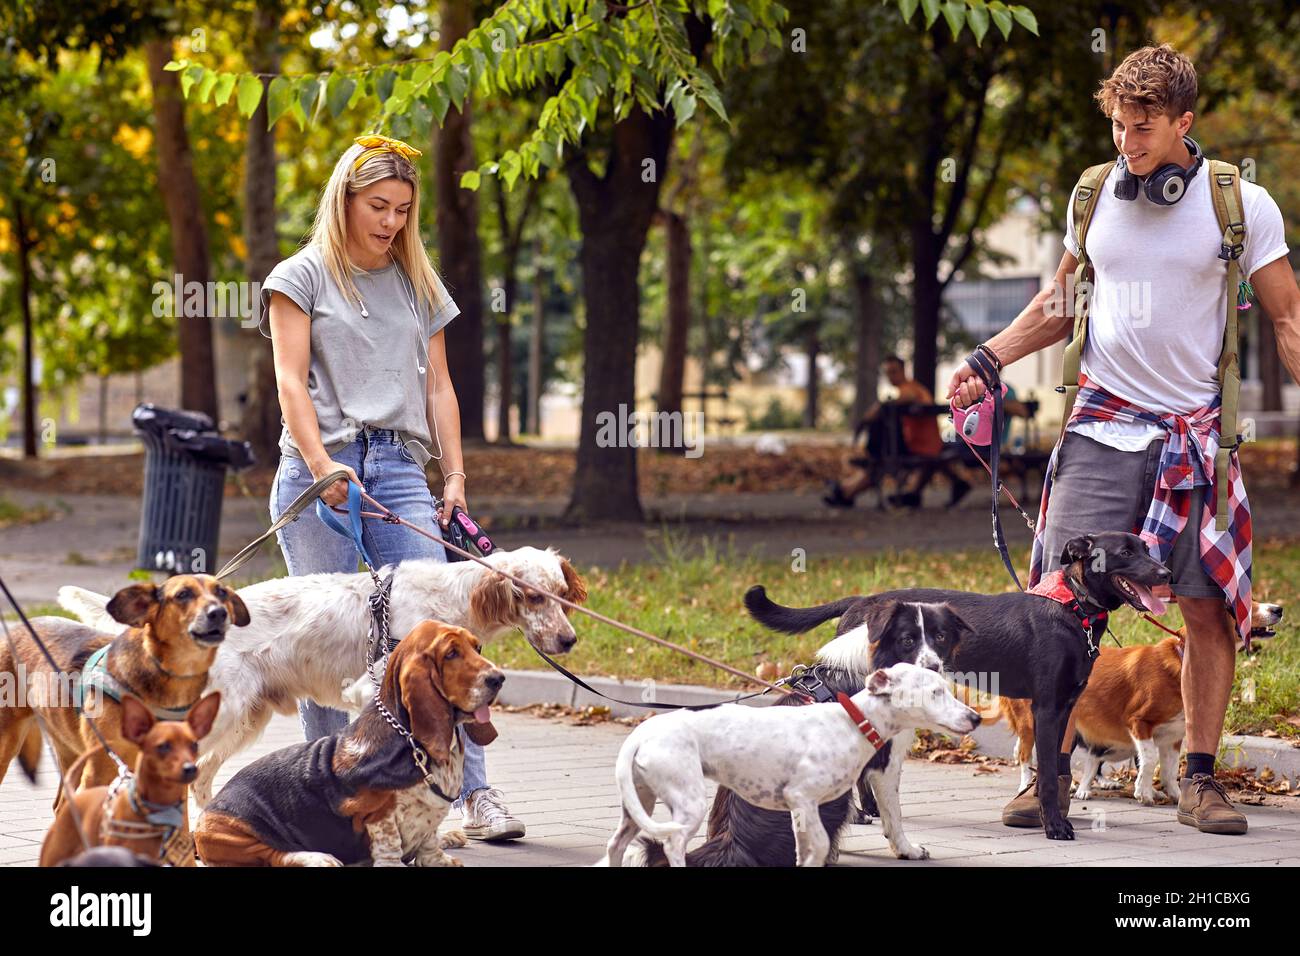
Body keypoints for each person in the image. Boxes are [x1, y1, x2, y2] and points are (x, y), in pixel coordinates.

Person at [948, 45, 1300, 835]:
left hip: (1195, 440)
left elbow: (1287, 318)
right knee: (1057, 608)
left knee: (1207, 611)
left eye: (1142, 128)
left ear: (1185, 121)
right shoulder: (1094, 195)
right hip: (1101, 431)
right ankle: (1049, 778)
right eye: (1116, 125)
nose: (1126, 143)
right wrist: (986, 360)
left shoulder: (1240, 204)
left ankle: (1200, 781)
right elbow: (1059, 303)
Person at [258, 133, 525, 842]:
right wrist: (322, 467)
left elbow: (439, 385)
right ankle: (334, 799)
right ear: (343, 199)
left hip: (400, 471)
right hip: (321, 475)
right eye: (378, 206)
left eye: (404, 210)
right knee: (321, 644)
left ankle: (470, 795)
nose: (391, 222)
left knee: (437, 638)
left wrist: (456, 475)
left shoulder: (416, 281)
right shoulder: (300, 276)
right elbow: (289, 382)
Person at [825, 355, 968, 509]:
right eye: (887, 372)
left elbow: (908, 397)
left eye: (894, 371)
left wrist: (880, 407)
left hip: (921, 446)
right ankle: (847, 491)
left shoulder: (911, 389)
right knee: (881, 456)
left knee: (880, 459)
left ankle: (846, 491)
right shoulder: (908, 390)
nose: (890, 376)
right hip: (919, 445)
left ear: (903, 370)